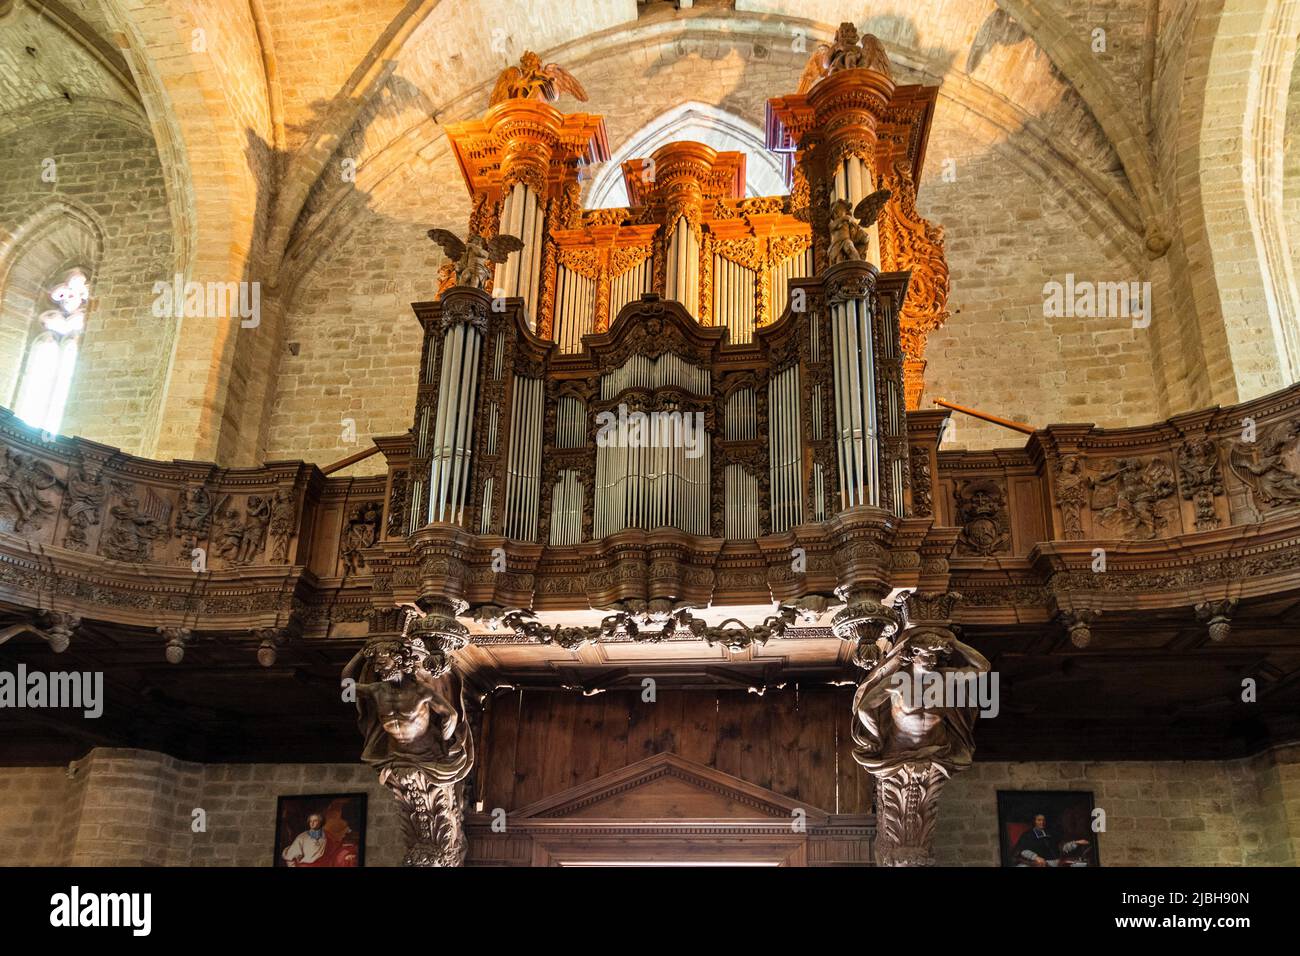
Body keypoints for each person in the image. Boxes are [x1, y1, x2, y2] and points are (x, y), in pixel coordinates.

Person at [1011, 812, 1090, 867]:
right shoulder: (1027, 834)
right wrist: (1036, 858)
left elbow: (1063, 848)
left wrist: (1077, 842)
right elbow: (1023, 850)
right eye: (1039, 820)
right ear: (1034, 821)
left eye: (1043, 820)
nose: (1042, 822)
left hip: (1055, 863)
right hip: (1035, 864)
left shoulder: (1052, 833)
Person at [281, 812, 356, 867]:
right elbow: (290, 857)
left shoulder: (328, 836)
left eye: (315, 821)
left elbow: (336, 849)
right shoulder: (302, 837)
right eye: (310, 821)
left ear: (321, 823)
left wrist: (346, 854)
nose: (312, 823)